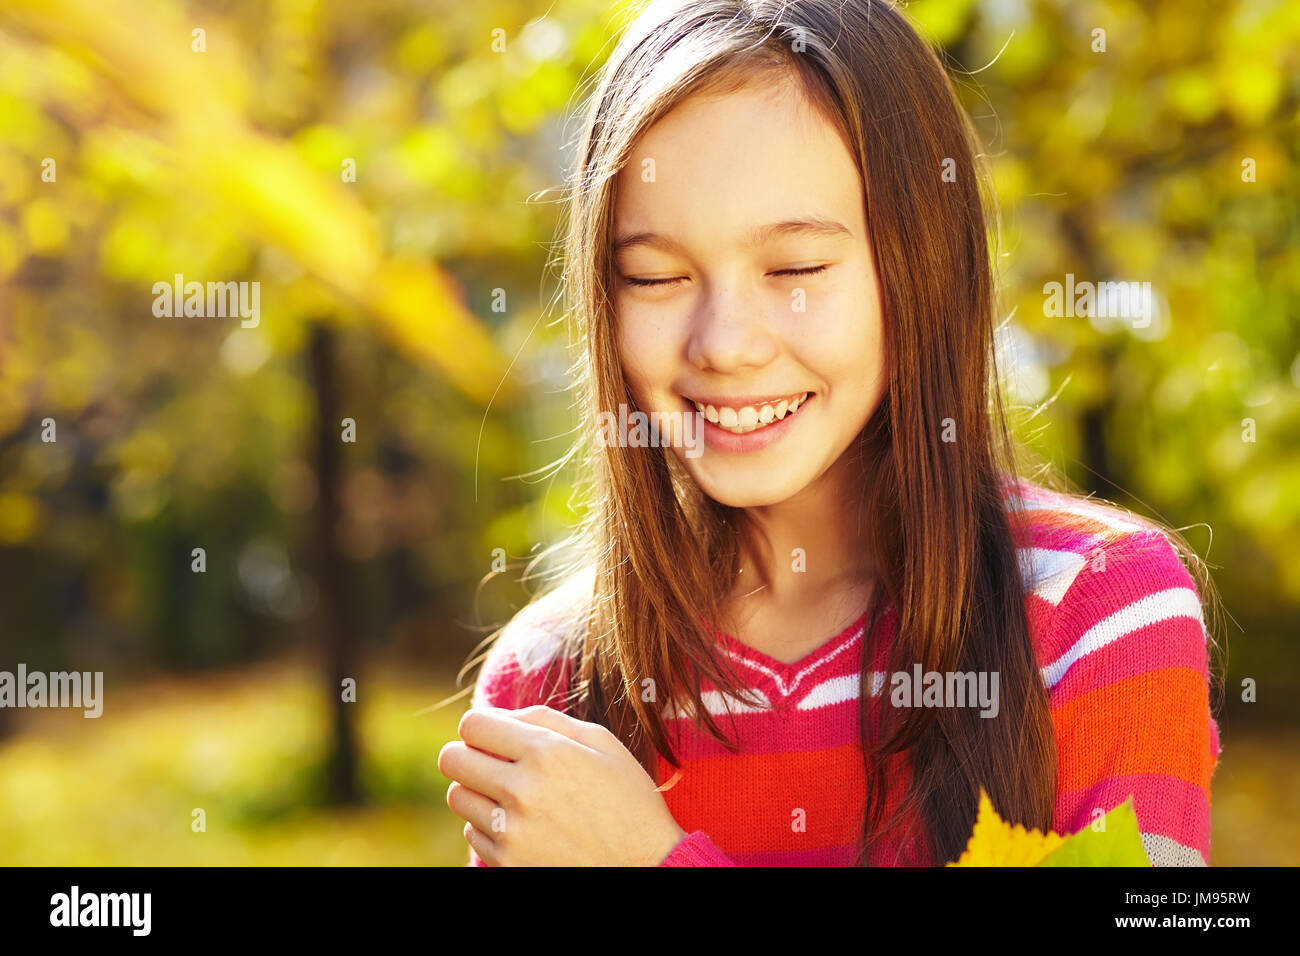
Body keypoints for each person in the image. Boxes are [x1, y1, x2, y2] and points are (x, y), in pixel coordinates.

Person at [437, 0, 1221, 867]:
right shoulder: (551, 678)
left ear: (918, 263)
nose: (725, 343)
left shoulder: (1094, 613)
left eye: (796, 269)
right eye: (655, 277)